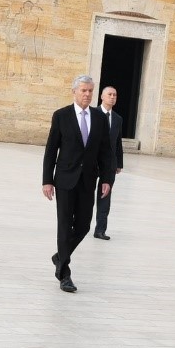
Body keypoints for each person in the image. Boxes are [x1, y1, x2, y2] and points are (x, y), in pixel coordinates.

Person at [41, 74, 115, 293]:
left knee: (83, 225)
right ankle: (65, 274)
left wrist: (107, 179)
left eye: (91, 91)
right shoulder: (61, 116)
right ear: (74, 92)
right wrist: (47, 180)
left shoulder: (100, 118)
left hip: (87, 181)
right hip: (64, 179)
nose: (87, 94)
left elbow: (106, 152)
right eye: (83, 90)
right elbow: (51, 150)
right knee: (64, 225)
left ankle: (59, 256)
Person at [92, 85, 125, 240]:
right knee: (86, 195)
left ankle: (100, 230)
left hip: (109, 165)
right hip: (92, 163)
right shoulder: (92, 114)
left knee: (105, 197)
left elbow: (118, 142)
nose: (113, 97)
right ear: (102, 97)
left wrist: (119, 163)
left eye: (115, 95)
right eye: (110, 94)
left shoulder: (118, 119)